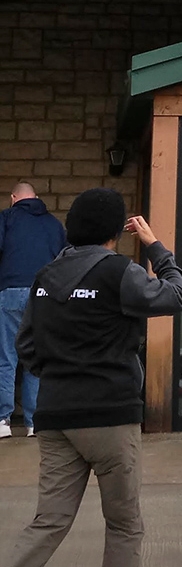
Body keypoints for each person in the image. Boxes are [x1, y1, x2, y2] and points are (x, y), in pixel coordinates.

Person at [0, 188, 182, 567]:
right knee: (124, 526)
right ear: (115, 230)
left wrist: (63, 374)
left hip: (56, 417)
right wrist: (154, 246)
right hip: (109, 418)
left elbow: (27, 347)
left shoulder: (44, 277)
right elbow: (177, 296)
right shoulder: (118, 272)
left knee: (46, 524)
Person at [0, 181, 66, 440]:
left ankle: (3, 421)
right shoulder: (53, 224)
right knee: (36, 360)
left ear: (13, 197)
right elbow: (63, 260)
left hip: (11, 291)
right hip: (44, 294)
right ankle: (33, 422)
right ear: (36, 198)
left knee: (6, 358)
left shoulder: (6, 218)